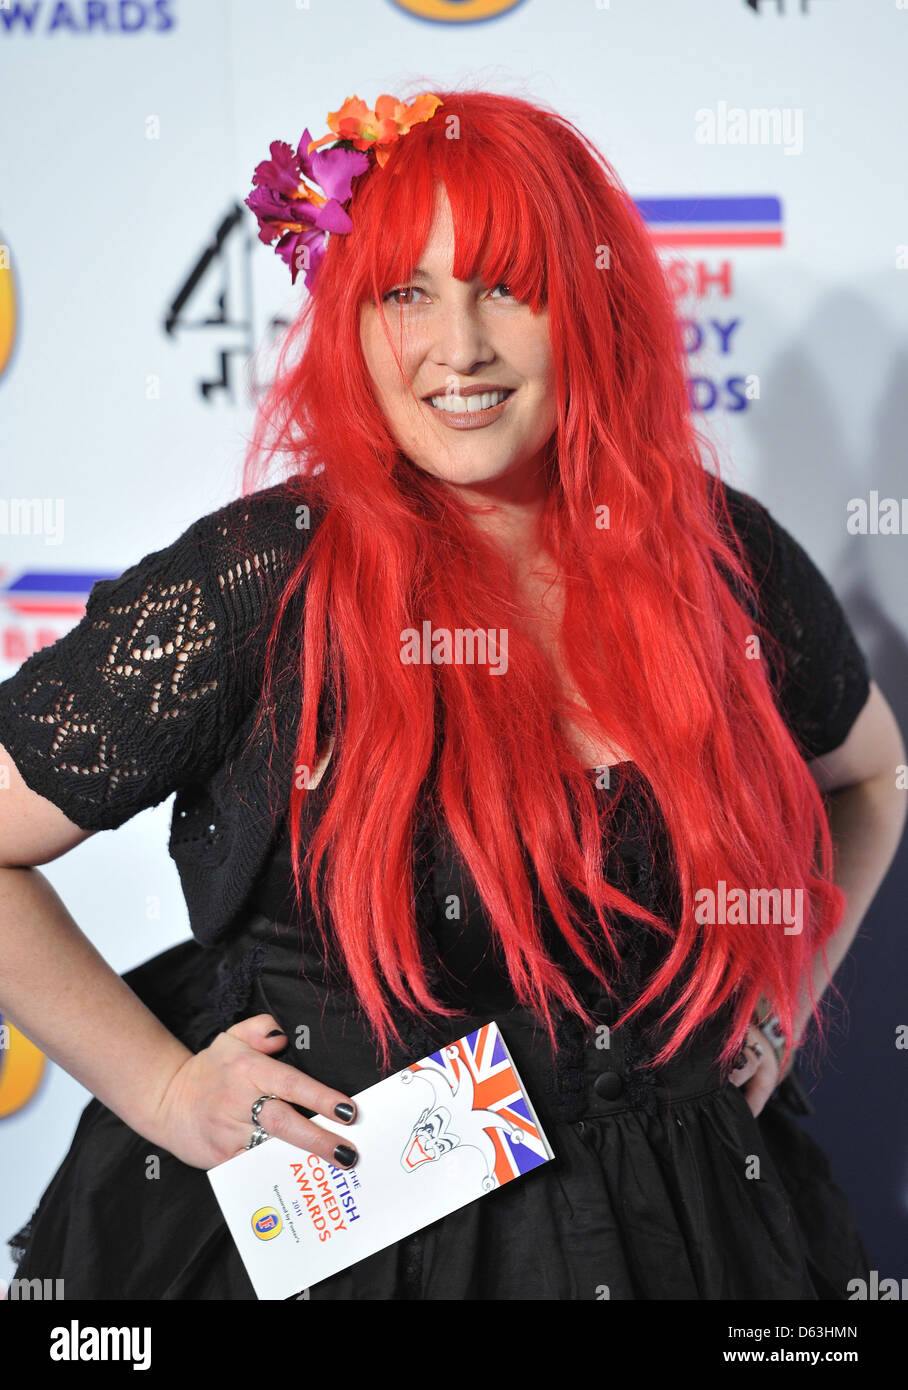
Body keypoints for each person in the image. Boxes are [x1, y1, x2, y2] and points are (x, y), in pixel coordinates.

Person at [0, 87, 903, 1302]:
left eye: (505, 286)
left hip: (682, 1226)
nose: (458, 346)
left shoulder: (715, 554)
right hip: (362, 1246)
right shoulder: (258, 587)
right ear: (350, 319)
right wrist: (163, 1088)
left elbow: (872, 776)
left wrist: (779, 990)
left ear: (585, 304)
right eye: (405, 294)